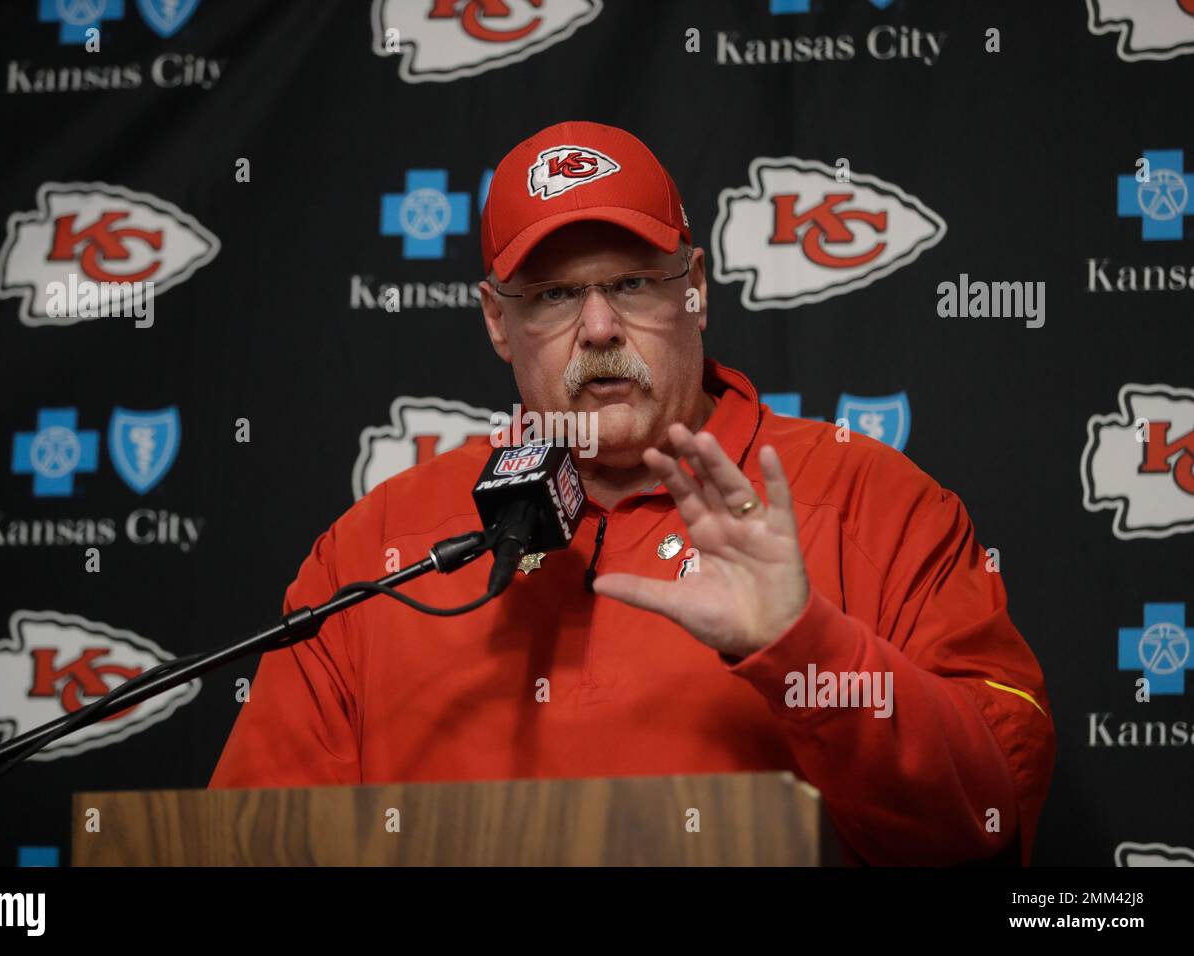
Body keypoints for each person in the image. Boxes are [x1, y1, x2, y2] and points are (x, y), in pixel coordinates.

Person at [210, 120, 1055, 866]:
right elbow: (249, 843)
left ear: (695, 288)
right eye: (553, 296)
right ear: (498, 322)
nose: (602, 328)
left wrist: (806, 648)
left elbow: (985, 827)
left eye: (634, 284)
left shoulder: (873, 503)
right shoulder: (379, 548)